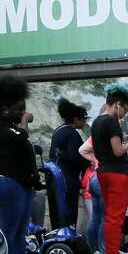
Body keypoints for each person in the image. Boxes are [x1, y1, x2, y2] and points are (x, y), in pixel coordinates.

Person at [0, 74, 43, 254]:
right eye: (19, 109)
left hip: (21, 182)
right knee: (10, 226)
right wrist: (24, 122)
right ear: (6, 107)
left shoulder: (8, 122)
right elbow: (19, 139)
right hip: (6, 181)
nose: (22, 113)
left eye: (23, 109)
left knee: (21, 227)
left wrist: (33, 179)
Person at [90, 84, 128, 254]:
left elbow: (104, 147)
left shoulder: (97, 122)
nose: (124, 113)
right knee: (116, 218)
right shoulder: (112, 122)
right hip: (117, 174)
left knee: (109, 216)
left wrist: (122, 138)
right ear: (118, 104)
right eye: (125, 108)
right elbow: (118, 151)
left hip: (102, 172)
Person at [49, 98, 90, 229]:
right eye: (83, 119)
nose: (84, 122)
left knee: (56, 212)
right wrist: (88, 160)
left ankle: (57, 236)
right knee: (69, 212)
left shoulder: (57, 131)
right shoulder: (72, 133)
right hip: (67, 179)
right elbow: (73, 156)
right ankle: (68, 239)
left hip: (54, 177)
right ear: (75, 119)